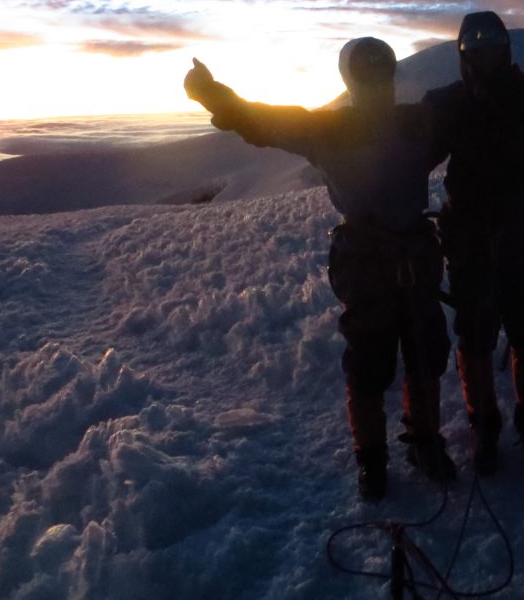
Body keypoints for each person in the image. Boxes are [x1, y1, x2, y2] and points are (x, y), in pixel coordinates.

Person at [183, 38, 455, 500]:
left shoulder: (337, 128)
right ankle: (399, 450)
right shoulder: (414, 121)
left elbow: (260, 120)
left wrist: (212, 95)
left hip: (376, 256)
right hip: (396, 254)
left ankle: (391, 455)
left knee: (409, 352)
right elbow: (261, 119)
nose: (373, 80)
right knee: (397, 354)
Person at [422, 11, 524, 479]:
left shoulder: (523, 100)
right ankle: (489, 431)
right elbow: (418, 152)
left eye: (492, 42)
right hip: (476, 240)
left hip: (513, 237)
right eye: (476, 43)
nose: (485, 50)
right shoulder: (454, 104)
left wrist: (512, 103)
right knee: (481, 337)